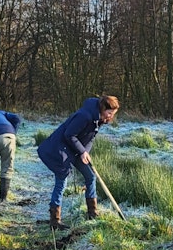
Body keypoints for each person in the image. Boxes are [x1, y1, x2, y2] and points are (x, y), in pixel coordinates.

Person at [37, 94, 120, 230]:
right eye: (109, 113)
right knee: (61, 181)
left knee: (90, 176)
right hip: (60, 149)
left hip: (75, 150)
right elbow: (69, 135)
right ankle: (55, 221)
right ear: (103, 108)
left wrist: (85, 152)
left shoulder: (98, 120)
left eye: (113, 114)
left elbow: (91, 138)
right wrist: (82, 151)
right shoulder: (84, 116)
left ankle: (92, 213)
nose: (111, 116)